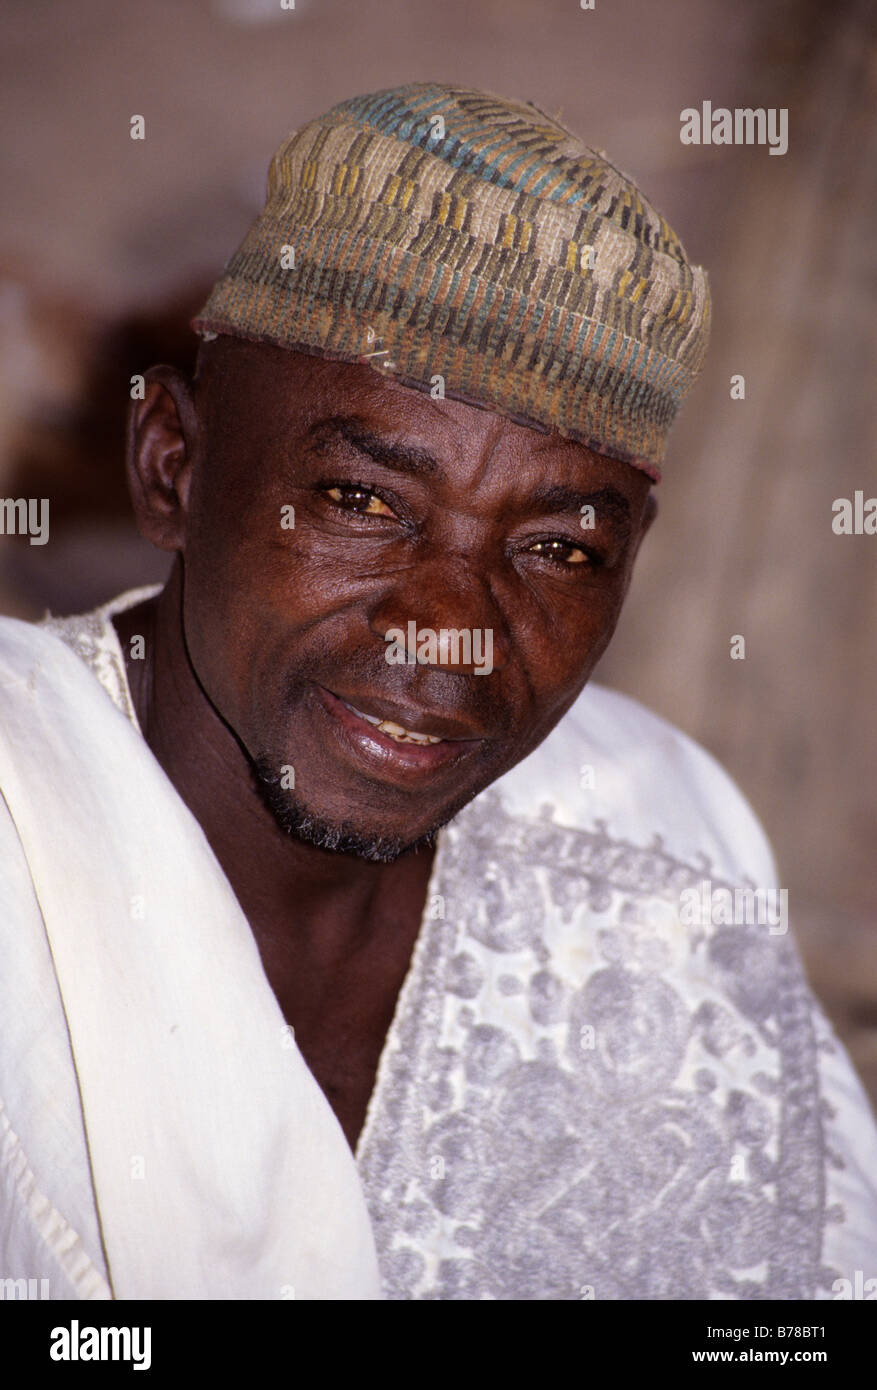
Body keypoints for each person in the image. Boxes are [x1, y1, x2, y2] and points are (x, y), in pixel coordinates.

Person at [1, 82, 875, 1302]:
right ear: (173, 468)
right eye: (362, 502)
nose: (452, 628)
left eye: (558, 548)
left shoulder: (663, 825)